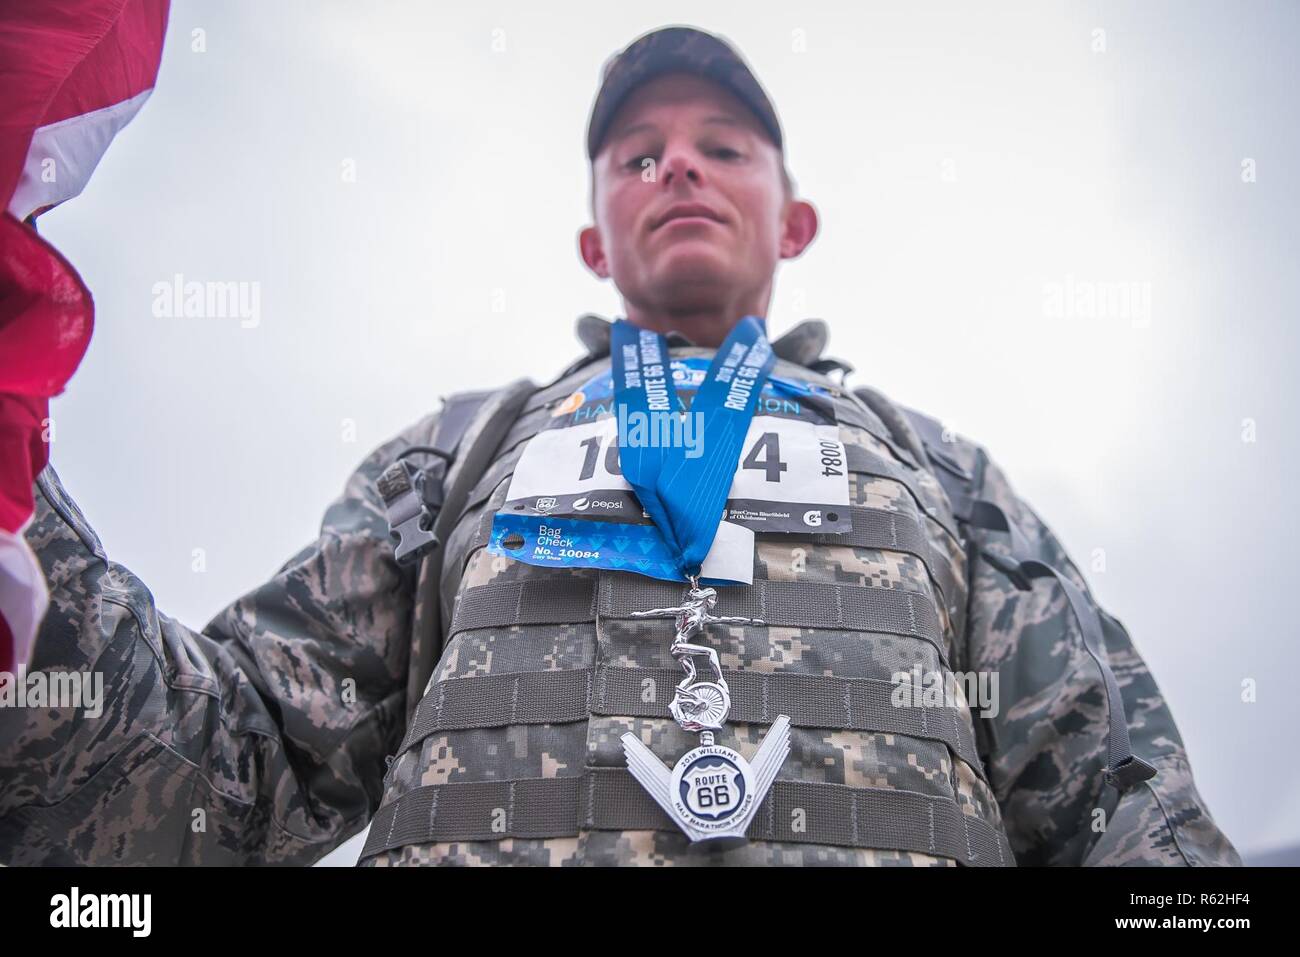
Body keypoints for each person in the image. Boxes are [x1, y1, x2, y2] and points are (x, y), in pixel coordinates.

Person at [0, 25, 1240, 866]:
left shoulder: (945, 474)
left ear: (790, 217)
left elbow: (1117, 804)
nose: (678, 167)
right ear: (597, 238)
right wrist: (21, 540)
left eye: (722, 148)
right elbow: (219, 774)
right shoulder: (453, 454)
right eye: (638, 156)